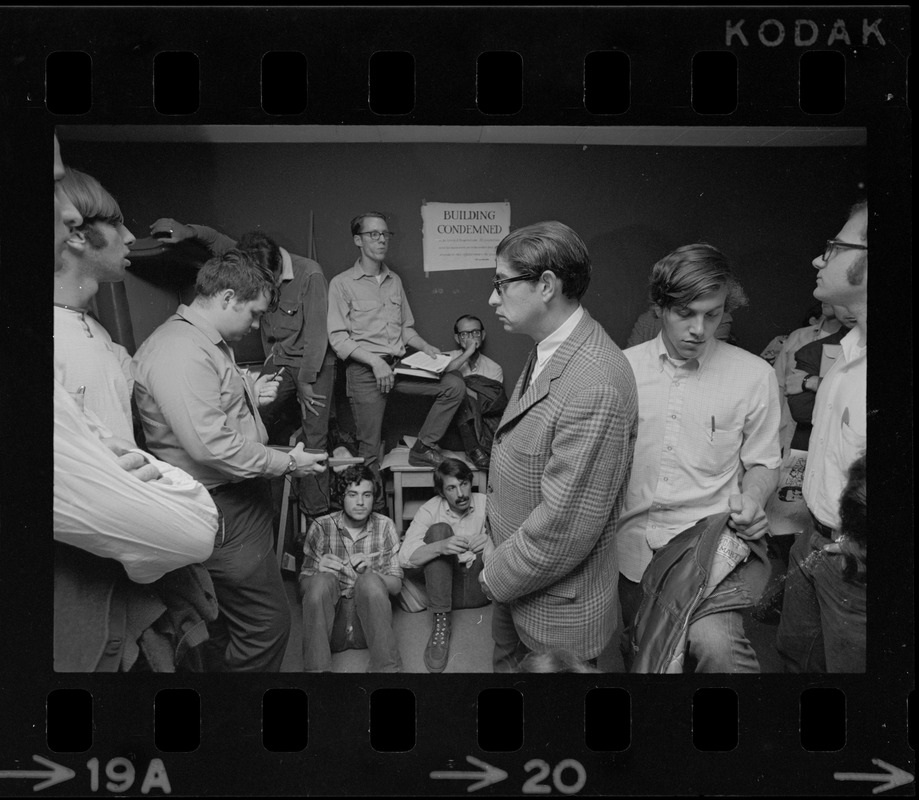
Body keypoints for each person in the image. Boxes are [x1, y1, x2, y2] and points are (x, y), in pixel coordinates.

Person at [52, 137, 220, 672]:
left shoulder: (95, 331)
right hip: (92, 567)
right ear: (76, 235)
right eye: (118, 224)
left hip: (138, 552)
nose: (130, 236)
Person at [133, 249, 328, 672]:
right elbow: (211, 447)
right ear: (226, 297)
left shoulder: (203, 343)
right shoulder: (179, 350)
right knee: (266, 625)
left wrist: (251, 401)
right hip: (223, 506)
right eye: (254, 314)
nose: (256, 326)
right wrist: (286, 463)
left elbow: (216, 417)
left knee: (225, 624)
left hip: (237, 498)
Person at [478, 221, 638, 672]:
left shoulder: (595, 383)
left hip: (555, 614)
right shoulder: (550, 347)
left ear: (546, 285)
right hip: (522, 587)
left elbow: (563, 528)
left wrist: (493, 576)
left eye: (501, 283)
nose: (493, 298)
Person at [616, 242, 781, 673]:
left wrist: (754, 498)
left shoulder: (753, 376)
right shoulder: (621, 371)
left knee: (719, 651)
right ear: (659, 306)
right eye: (685, 313)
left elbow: (764, 462)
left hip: (704, 550)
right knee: (642, 655)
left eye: (713, 314)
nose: (699, 329)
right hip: (632, 548)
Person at [148, 218, 336, 517]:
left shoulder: (309, 272)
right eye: (254, 313)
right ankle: (270, 504)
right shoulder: (187, 346)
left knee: (315, 438)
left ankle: (318, 515)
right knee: (256, 419)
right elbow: (215, 238)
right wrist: (186, 231)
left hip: (312, 364)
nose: (256, 323)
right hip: (277, 361)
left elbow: (317, 335)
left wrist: (306, 379)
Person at [776, 201, 868, 673]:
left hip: (854, 568)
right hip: (810, 538)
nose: (819, 258)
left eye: (835, 247)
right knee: (795, 659)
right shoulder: (849, 348)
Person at [327, 212, 466, 475]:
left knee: (454, 386)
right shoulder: (341, 284)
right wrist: (375, 362)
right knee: (369, 453)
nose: (382, 240)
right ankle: (376, 514)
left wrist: (426, 347)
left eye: (385, 234)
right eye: (374, 234)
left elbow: (405, 328)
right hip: (365, 374)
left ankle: (424, 447)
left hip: (398, 369)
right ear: (358, 239)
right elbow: (338, 339)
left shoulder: (395, 280)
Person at [299, 465, 403, 672]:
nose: (360, 502)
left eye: (367, 495)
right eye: (352, 495)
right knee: (321, 581)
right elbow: (303, 589)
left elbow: (397, 586)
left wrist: (371, 573)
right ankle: (316, 674)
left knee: (370, 581)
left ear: (374, 497)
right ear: (341, 497)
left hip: (368, 626)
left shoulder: (385, 526)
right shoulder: (321, 527)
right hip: (330, 629)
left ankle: (387, 671)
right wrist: (319, 570)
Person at [397, 458, 491, 672]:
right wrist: (441, 546)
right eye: (451, 488)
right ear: (441, 492)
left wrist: (490, 540)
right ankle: (441, 621)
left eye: (464, 484)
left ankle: (421, 596)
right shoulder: (429, 510)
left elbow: (516, 538)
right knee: (439, 530)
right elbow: (404, 557)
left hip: (482, 588)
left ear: (470, 482)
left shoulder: (485, 502)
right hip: (448, 588)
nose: (461, 494)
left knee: (497, 534)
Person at [772, 301, 848, 453]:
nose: (826, 299)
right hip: (785, 426)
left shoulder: (849, 342)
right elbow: (777, 383)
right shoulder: (799, 336)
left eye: (834, 295)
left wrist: (811, 382)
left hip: (821, 433)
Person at [443, 314, 507, 469]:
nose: (471, 338)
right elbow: (441, 383)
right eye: (464, 334)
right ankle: (473, 449)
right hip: (449, 432)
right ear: (457, 338)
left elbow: (490, 405)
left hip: (481, 433)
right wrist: (468, 353)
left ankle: (474, 449)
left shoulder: (494, 368)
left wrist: (467, 392)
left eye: (475, 333)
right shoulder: (446, 359)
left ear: (483, 335)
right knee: (456, 391)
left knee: (459, 390)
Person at [626, 301, 733, 348]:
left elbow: (708, 363)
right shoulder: (647, 321)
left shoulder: (721, 319)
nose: (699, 330)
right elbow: (628, 365)